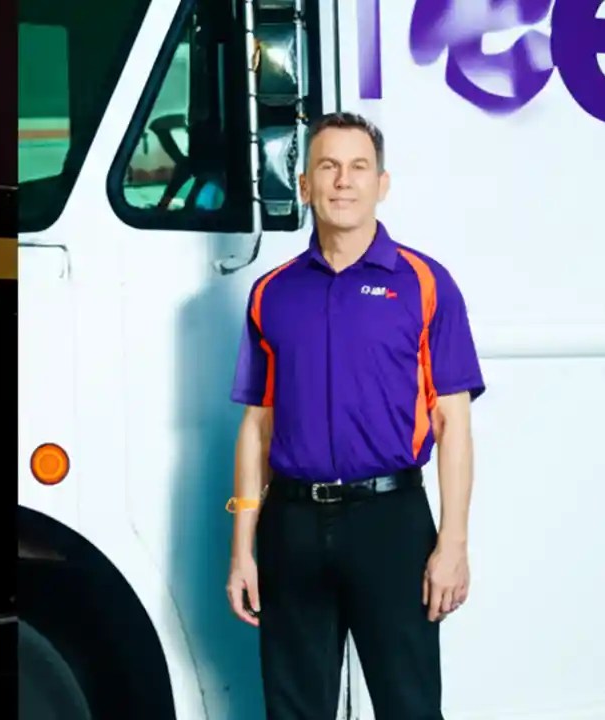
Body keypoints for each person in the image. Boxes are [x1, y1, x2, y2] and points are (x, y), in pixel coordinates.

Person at [224, 111, 485, 719]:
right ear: (305, 185)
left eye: (358, 167)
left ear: (382, 184)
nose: (344, 181)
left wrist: (453, 544)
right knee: (294, 710)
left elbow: (454, 424)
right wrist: (242, 547)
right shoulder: (272, 292)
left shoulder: (425, 284)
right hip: (290, 527)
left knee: (409, 706)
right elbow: (255, 430)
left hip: (391, 524)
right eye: (328, 167)